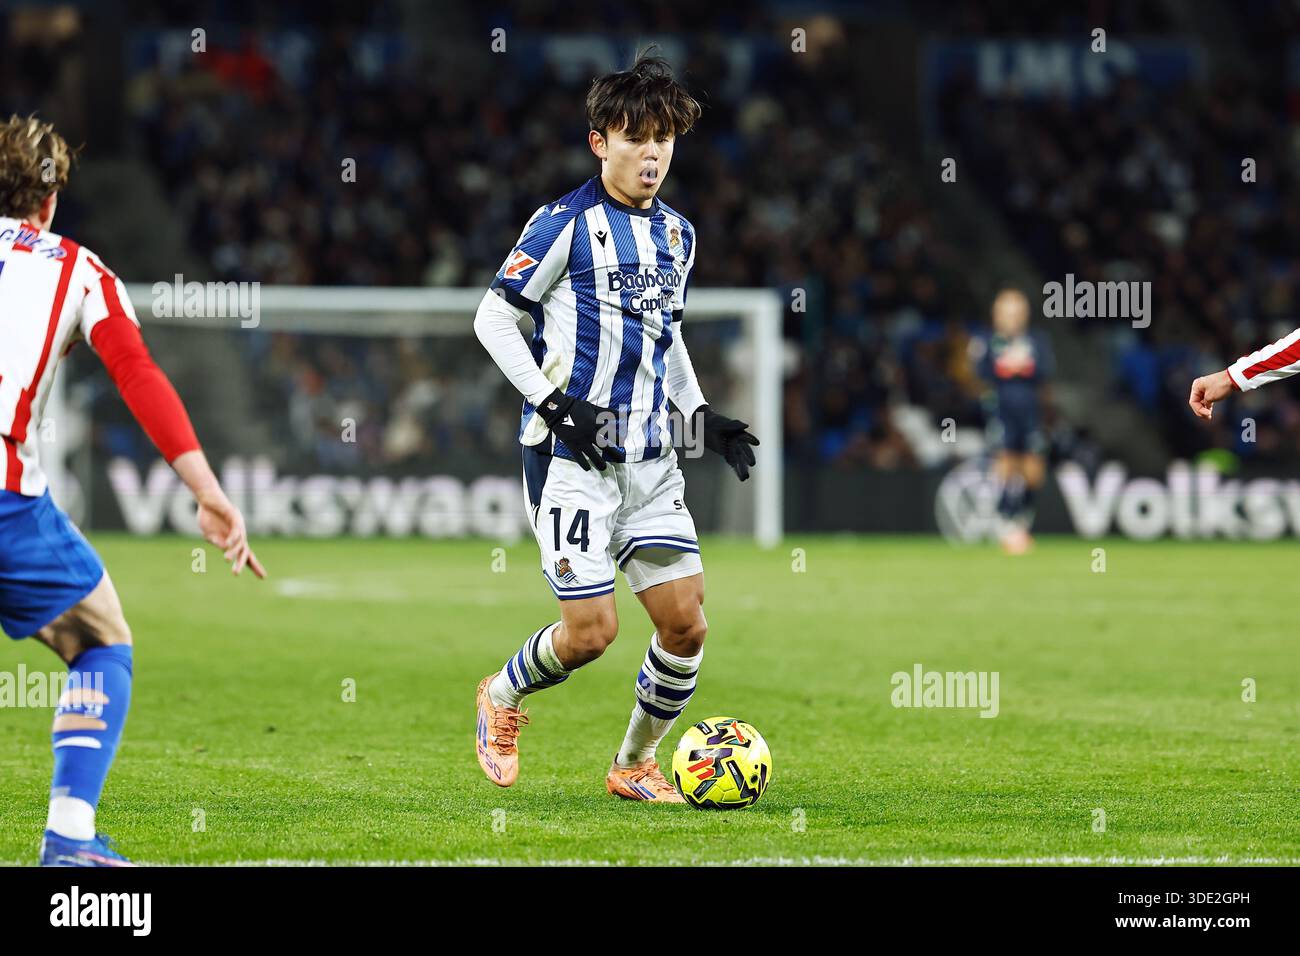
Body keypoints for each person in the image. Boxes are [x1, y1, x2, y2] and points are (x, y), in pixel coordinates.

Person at [471, 54, 758, 801]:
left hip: (651, 463)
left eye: (664, 138)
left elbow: (667, 339)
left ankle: (633, 763)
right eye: (636, 138)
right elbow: (495, 316)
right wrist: (550, 400)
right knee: (592, 634)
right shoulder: (562, 224)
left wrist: (702, 418)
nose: (653, 153)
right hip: (571, 459)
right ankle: (501, 696)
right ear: (600, 142)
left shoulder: (679, 237)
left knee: (686, 624)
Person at [0, 115, 264, 865]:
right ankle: (70, 839)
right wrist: (208, 491)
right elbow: (139, 377)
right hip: (6, 500)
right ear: (50, 202)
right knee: (101, 642)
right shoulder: (77, 269)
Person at [973, 288, 1053, 555]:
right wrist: (1007, 368)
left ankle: (1020, 521)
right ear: (996, 315)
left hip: (1030, 412)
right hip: (1001, 411)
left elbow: (1045, 371)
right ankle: (1005, 522)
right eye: (1007, 312)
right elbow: (979, 372)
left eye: (1017, 312)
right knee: (1005, 463)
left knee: (1033, 472)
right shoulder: (987, 340)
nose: (1012, 317)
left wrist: (1021, 368)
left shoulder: (1037, 340)